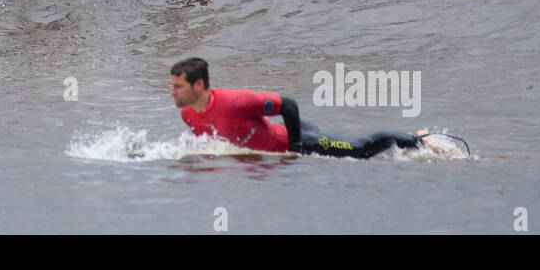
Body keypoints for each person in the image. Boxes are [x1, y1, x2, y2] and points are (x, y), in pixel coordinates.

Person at [169, 57, 442, 159]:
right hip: (281, 144)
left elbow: (287, 104)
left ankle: (418, 139)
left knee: (358, 150)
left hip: (300, 138)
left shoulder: (235, 101)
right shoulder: (187, 114)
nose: (173, 92)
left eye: (178, 86)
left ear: (199, 84)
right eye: (172, 86)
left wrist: (296, 148)